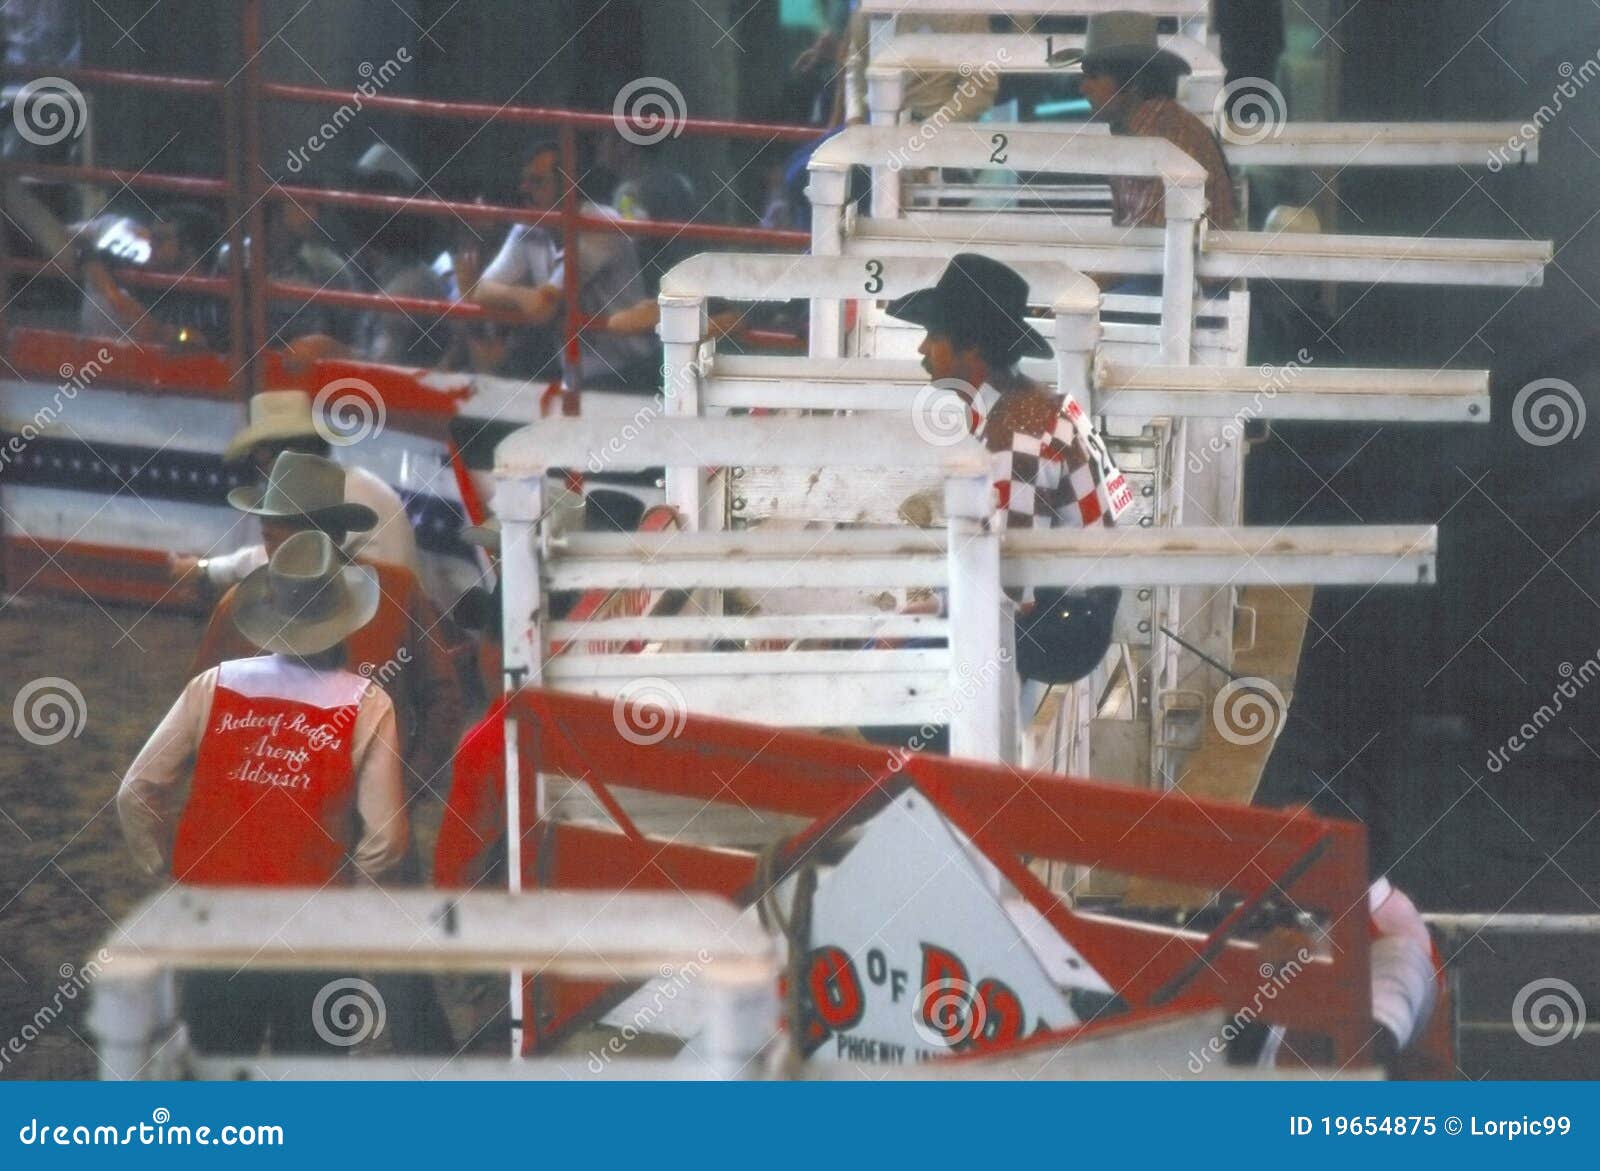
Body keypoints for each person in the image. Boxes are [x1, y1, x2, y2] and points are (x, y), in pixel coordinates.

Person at [117, 530, 408, 1053]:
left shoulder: (214, 684)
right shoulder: (369, 703)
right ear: (345, 620)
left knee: (216, 1064)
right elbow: (387, 839)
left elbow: (137, 790)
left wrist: (167, 865)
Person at [189, 451, 464, 801]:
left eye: (285, 525)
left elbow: (443, 700)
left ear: (326, 535)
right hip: (279, 804)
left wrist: (404, 788)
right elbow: (200, 715)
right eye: (271, 529)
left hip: (336, 801)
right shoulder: (396, 591)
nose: (269, 534)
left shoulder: (398, 593)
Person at [170, 390, 419, 594]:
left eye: (262, 453)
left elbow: (281, 560)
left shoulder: (328, 492)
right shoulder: (350, 482)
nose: (260, 466)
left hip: (365, 621)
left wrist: (205, 570)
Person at [467, 140, 655, 389]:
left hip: (628, 369)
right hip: (576, 373)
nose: (525, 189)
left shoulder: (601, 224)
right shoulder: (529, 227)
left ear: (568, 186)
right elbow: (480, 291)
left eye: (537, 181)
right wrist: (523, 297)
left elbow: (546, 308)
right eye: (524, 181)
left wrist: (530, 300)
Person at [1074, 11, 1236, 232]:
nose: (1083, 88)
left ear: (1132, 82)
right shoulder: (1148, 130)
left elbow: (1151, 246)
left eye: (1094, 76)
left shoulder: (1170, 138)